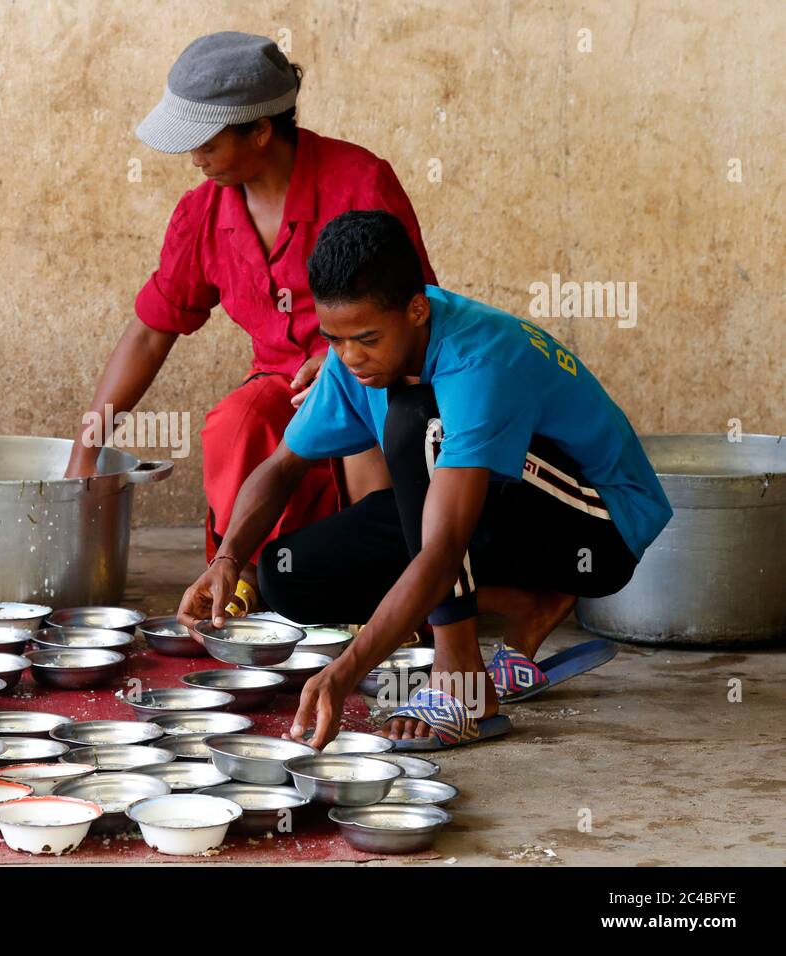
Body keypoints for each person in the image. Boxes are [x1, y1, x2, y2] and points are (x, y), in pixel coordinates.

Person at [177, 210, 671, 749]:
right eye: (334, 340)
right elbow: (281, 467)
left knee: (418, 423)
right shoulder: (352, 356)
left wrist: (346, 670)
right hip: (491, 506)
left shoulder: (477, 358)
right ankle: (527, 602)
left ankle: (461, 682)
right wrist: (226, 559)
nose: (349, 358)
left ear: (416, 309)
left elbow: (441, 550)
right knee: (287, 573)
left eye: (365, 338)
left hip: (598, 527)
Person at [66, 32, 435, 613]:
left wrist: (339, 358)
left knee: (370, 436)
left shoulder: (359, 182)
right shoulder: (203, 213)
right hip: (282, 386)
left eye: (206, 143)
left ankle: (393, 598)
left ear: (260, 131)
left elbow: (419, 309)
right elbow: (149, 330)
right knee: (235, 424)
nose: (195, 159)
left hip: (372, 375)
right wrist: (88, 443)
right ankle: (243, 578)